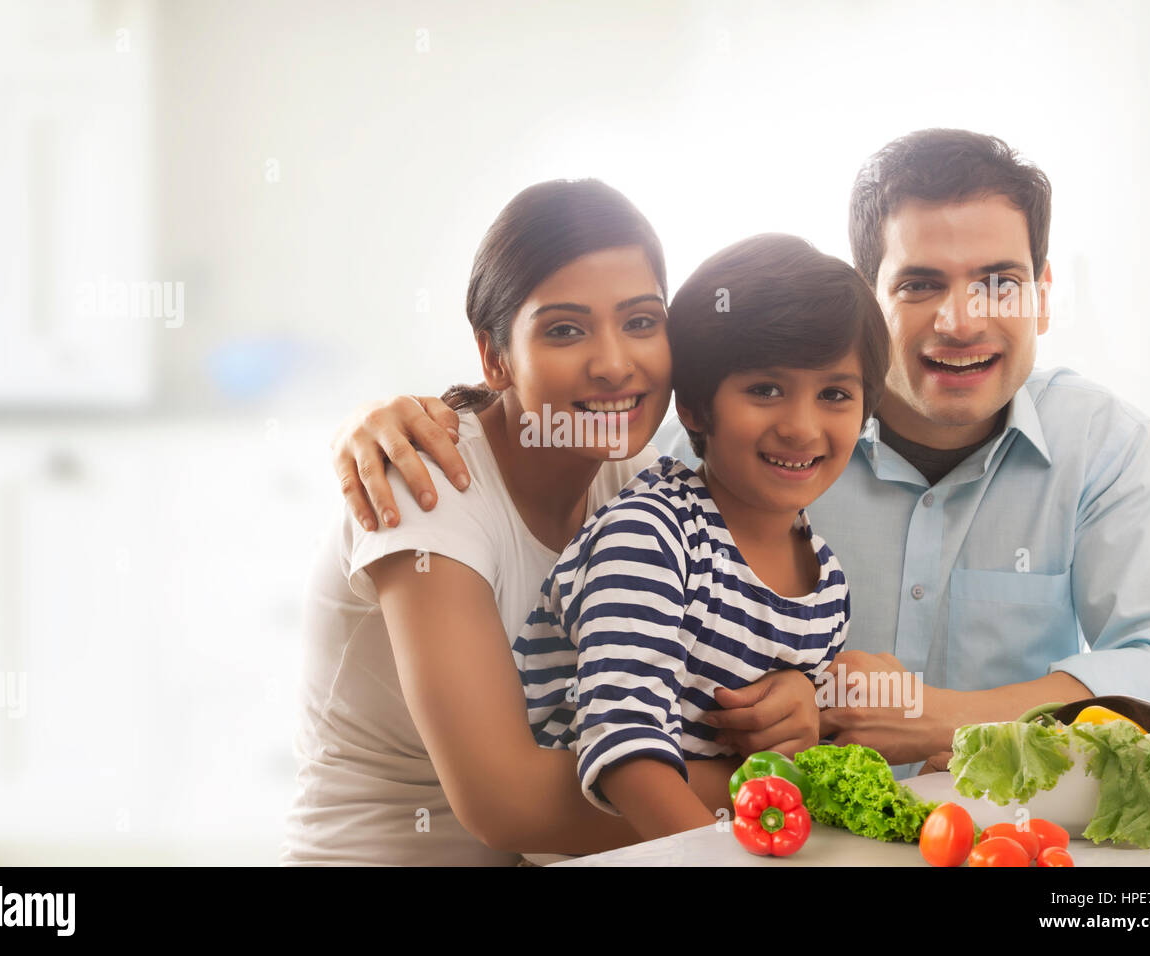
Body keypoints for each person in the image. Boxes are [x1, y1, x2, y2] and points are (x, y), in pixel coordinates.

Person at [337, 130, 1150, 778]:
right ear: (865, 298)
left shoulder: (1102, 446)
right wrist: (422, 411)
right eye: (920, 284)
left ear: (1042, 294)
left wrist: (934, 720)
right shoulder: (730, 437)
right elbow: (587, 408)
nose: (963, 321)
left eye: (999, 281)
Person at [281, 179, 811, 866]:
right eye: (565, 329)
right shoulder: (425, 488)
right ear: (494, 356)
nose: (615, 363)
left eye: (642, 321)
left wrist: (791, 700)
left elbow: (704, 678)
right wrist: (780, 787)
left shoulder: (638, 480)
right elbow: (510, 804)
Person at [512, 234, 889, 840]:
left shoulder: (828, 584)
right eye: (764, 390)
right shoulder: (653, 535)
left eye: (835, 394)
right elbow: (624, 746)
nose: (801, 426)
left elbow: (788, 757)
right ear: (692, 408)